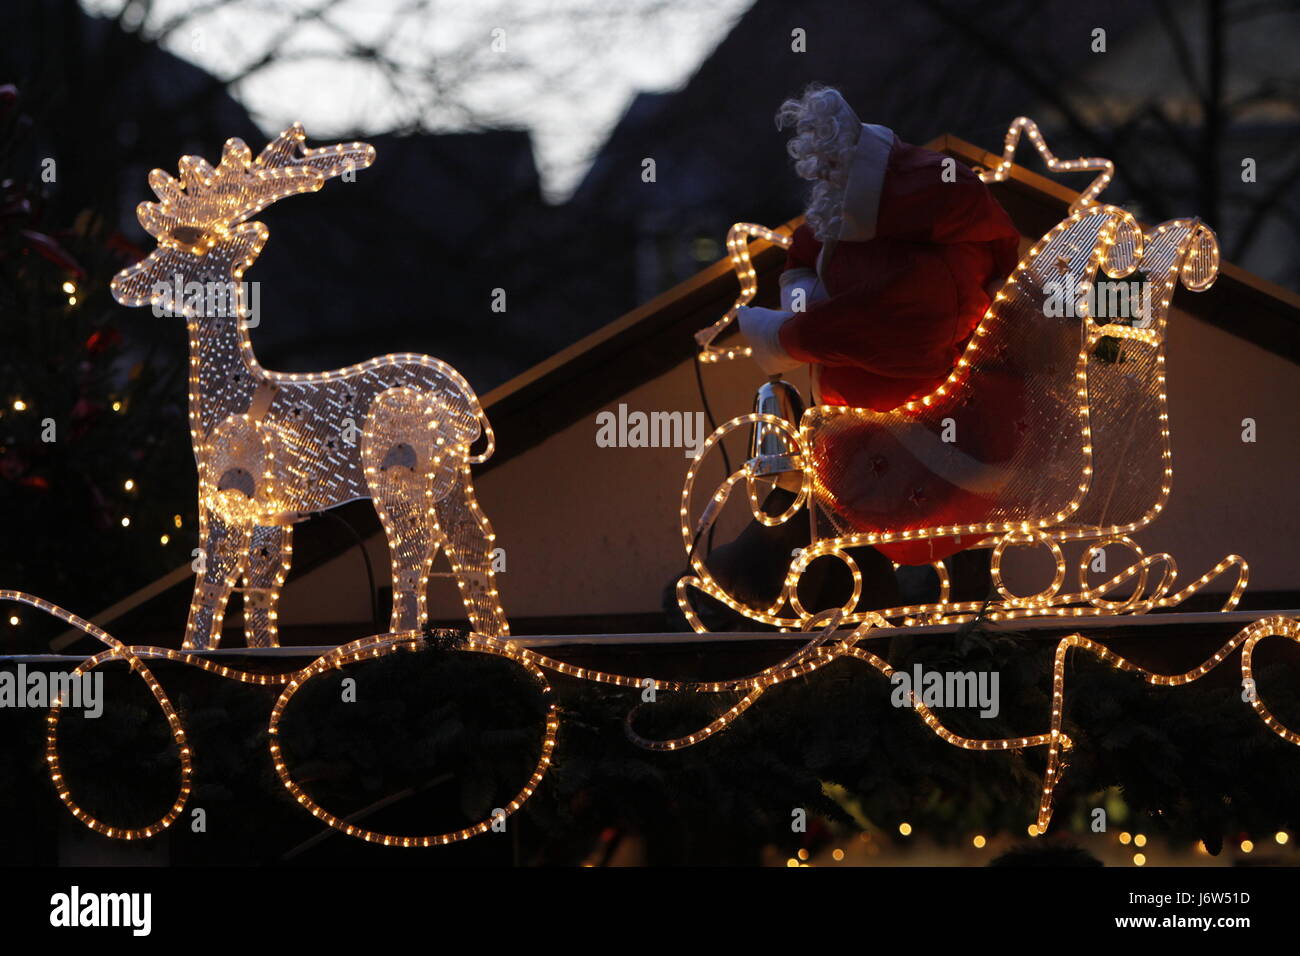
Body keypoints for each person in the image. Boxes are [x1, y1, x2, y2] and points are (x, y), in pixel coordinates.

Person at [688, 86, 1024, 625]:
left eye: (829, 171)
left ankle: (744, 589)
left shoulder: (926, 255)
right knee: (827, 494)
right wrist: (804, 301)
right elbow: (809, 254)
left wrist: (789, 334)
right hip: (882, 430)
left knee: (833, 497)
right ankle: (773, 593)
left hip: (934, 435)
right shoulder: (865, 222)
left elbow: (895, 331)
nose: (820, 182)